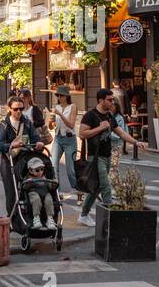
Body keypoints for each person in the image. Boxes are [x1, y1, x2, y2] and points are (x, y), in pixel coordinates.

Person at [78, 88, 147, 225]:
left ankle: (84, 214)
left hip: (107, 156)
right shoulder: (90, 115)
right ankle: (112, 218)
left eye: (112, 99)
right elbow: (82, 134)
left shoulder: (109, 116)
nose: (112, 102)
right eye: (109, 100)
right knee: (106, 186)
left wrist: (136, 142)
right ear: (100, 100)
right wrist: (100, 128)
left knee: (96, 187)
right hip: (95, 156)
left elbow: (121, 133)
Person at [0, 94, 43, 217]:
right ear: (9, 109)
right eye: (16, 109)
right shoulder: (4, 125)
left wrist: (38, 142)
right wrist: (12, 145)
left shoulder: (27, 123)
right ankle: (12, 219)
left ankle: (26, 217)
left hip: (24, 160)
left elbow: (35, 136)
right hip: (8, 161)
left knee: (26, 189)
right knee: (11, 193)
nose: (19, 112)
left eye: (21, 109)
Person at [48, 85, 80, 202]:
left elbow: (71, 125)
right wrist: (50, 121)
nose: (60, 97)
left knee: (70, 169)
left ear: (67, 96)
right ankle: (58, 191)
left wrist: (60, 114)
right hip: (58, 138)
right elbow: (51, 126)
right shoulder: (56, 107)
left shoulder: (72, 107)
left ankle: (78, 191)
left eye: (62, 95)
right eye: (58, 95)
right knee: (53, 165)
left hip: (69, 139)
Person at [23, 157, 58, 232]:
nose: (40, 172)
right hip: (34, 192)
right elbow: (24, 187)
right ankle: (36, 218)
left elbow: (50, 187)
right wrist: (28, 183)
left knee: (49, 200)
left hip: (45, 192)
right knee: (36, 199)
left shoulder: (45, 178)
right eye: (37, 170)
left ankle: (50, 218)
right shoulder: (29, 178)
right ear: (30, 170)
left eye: (42, 169)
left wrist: (53, 184)